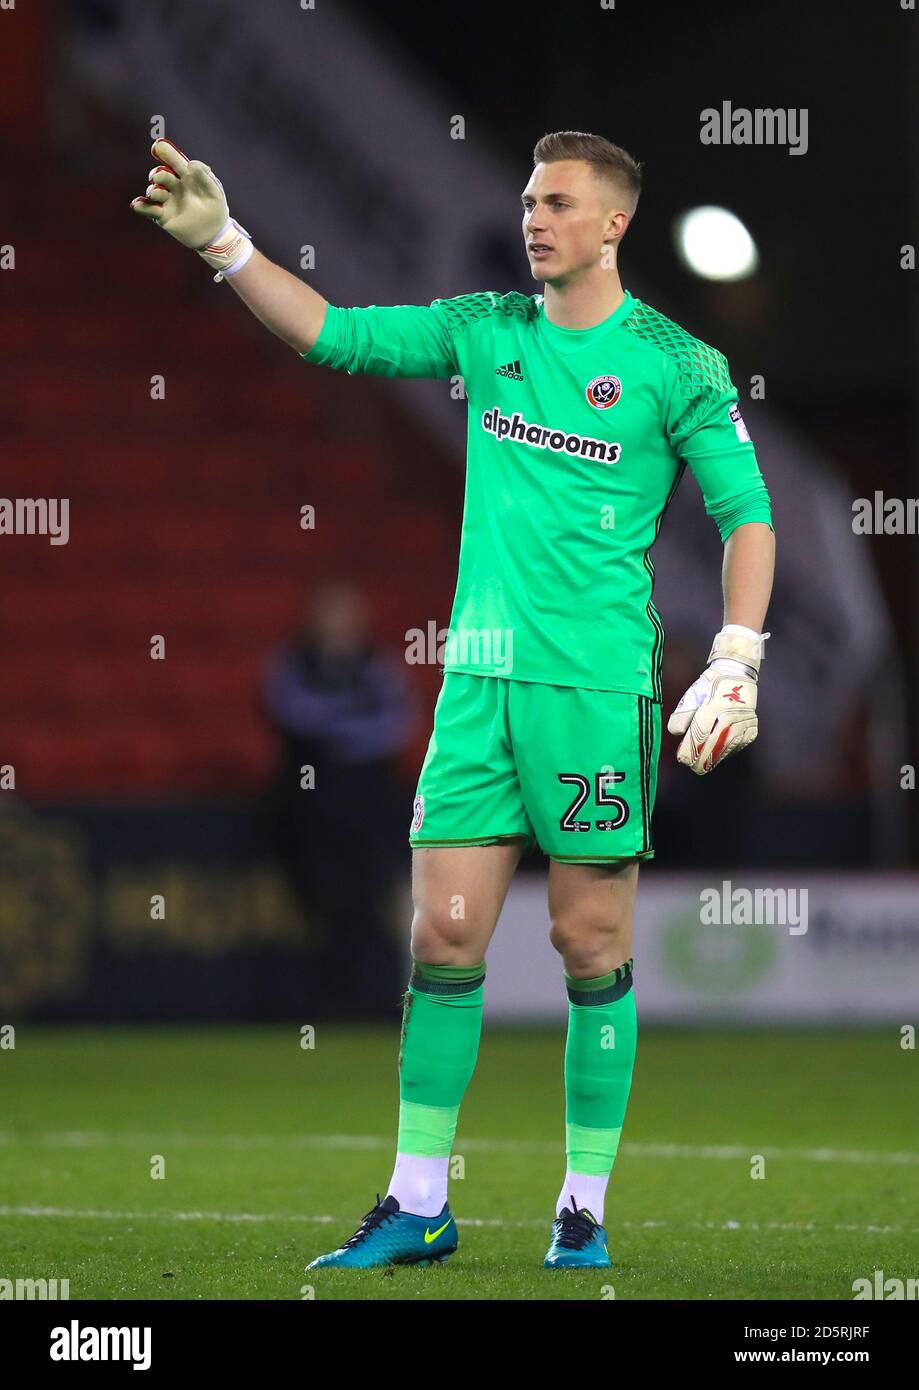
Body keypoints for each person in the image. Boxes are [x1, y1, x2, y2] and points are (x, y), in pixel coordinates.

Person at [132, 128, 775, 1272]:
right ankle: (418, 1200)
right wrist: (223, 242)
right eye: (528, 199)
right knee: (444, 934)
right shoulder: (486, 328)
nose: (534, 218)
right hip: (476, 683)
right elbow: (335, 334)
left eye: (559, 202)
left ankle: (581, 1206)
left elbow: (748, 518)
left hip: (594, 688)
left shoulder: (677, 364)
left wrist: (735, 656)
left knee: (586, 939)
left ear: (615, 222)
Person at [263, 581, 418, 1016]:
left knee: (370, 900)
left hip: (369, 805)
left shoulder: (377, 666)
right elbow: (292, 713)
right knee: (318, 902)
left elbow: (398, 723)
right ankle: (317, 1003)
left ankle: (373, 1000)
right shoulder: (293, 663)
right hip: (310, 807)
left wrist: (336, 732)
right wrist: (351, 723)